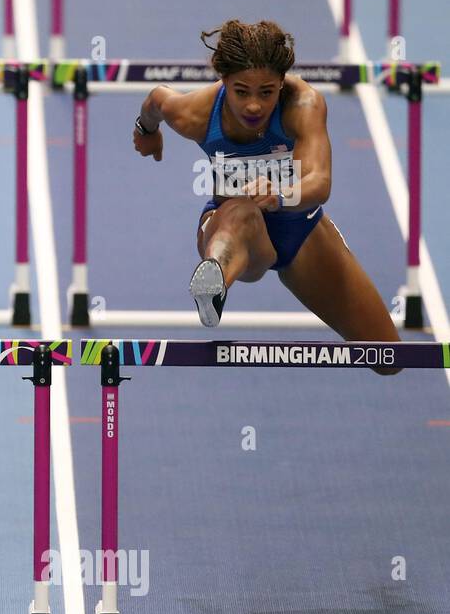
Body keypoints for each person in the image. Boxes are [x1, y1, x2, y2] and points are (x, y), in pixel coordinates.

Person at [132, 18, 400, 374]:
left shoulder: (303, 105)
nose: (254, 106)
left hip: (299, 229)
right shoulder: (195, 113)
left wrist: (280, 195)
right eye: (241, 91)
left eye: (266, 92)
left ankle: (218, 275)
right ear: (223, 81)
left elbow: (319, 182)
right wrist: (145, 130)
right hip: (233, 229)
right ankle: (213, 282)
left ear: (281, 84)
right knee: (242, 212)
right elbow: (155, 101)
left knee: (388, 358)